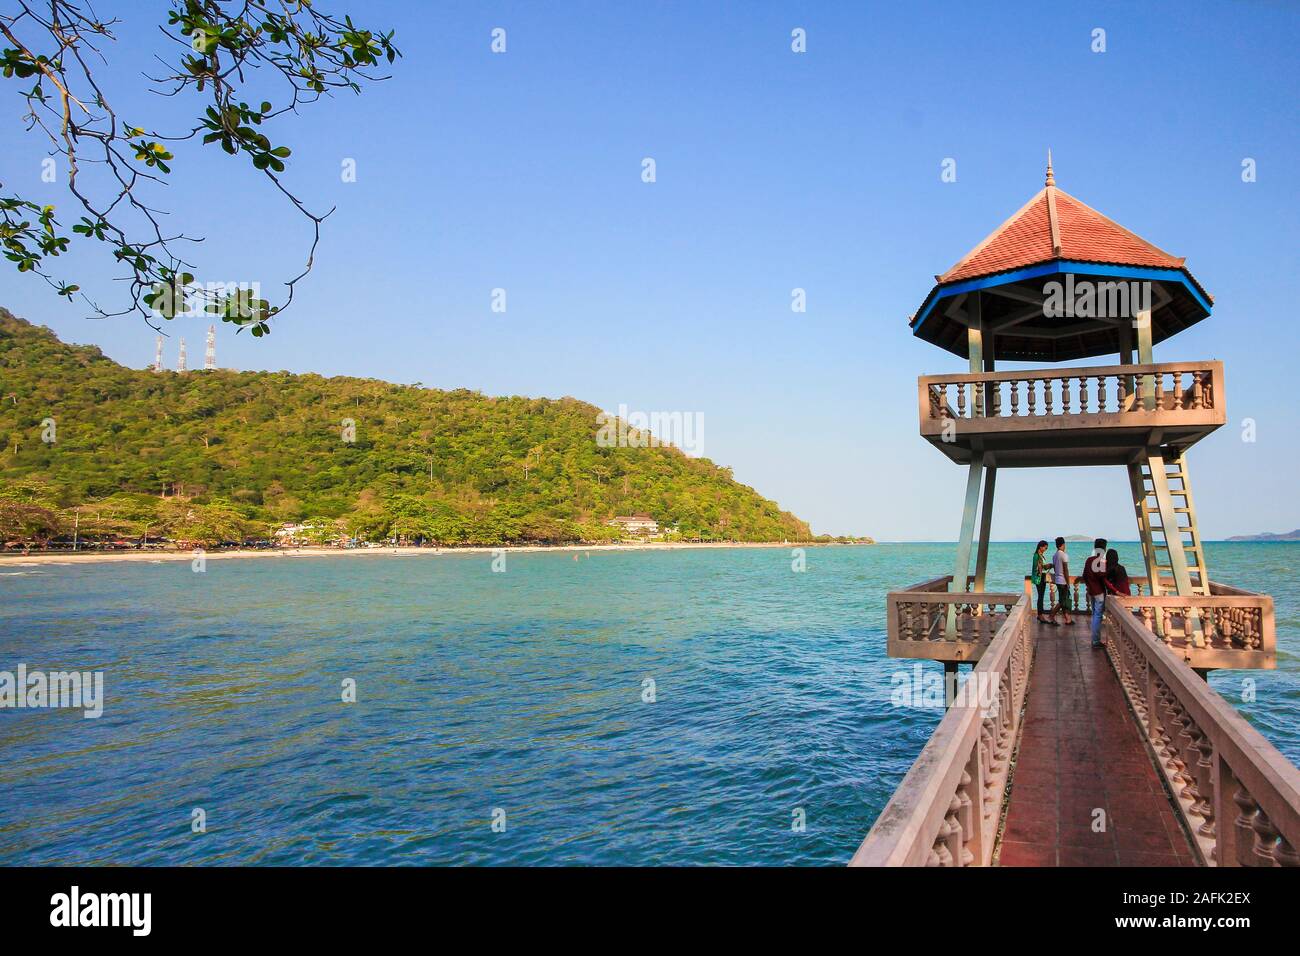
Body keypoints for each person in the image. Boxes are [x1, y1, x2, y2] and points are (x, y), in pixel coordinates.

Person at [1082, 537, 1109, 648]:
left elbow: (1084, 575)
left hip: (1091, 591)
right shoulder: (1101, 562)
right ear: (1104, 549)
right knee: (1098, 616)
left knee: (1095, 615)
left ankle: (1095, 639)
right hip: (1099, 592)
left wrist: (1089, 585)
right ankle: (1095, 641)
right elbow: (1102, 576)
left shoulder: (1089, 560)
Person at [1049, 536, 1073, 626]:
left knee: (1063, 600)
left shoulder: (1055, 556)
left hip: (1058, 580)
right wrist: (1068, 582)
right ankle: (1051, 615)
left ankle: (1067, 619)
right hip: (1063, 581)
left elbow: (1055, 569)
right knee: (1063, 601)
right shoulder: (1064, 555)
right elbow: (1066, 570)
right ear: (1063, 544)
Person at [1030, 540, 1052, 624]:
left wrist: (1047, 566)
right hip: (1039, 578)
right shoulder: (1036, 556)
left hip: (1042, 577)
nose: (1046, 549)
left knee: (1041, 596)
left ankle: (1040, 614)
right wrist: (1047, 566)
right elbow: (1038, 567)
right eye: (1045, 547)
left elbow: (1042, 567)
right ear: (1041, 547)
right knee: (1040, 596)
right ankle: (1040, 615)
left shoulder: (1041, 555)